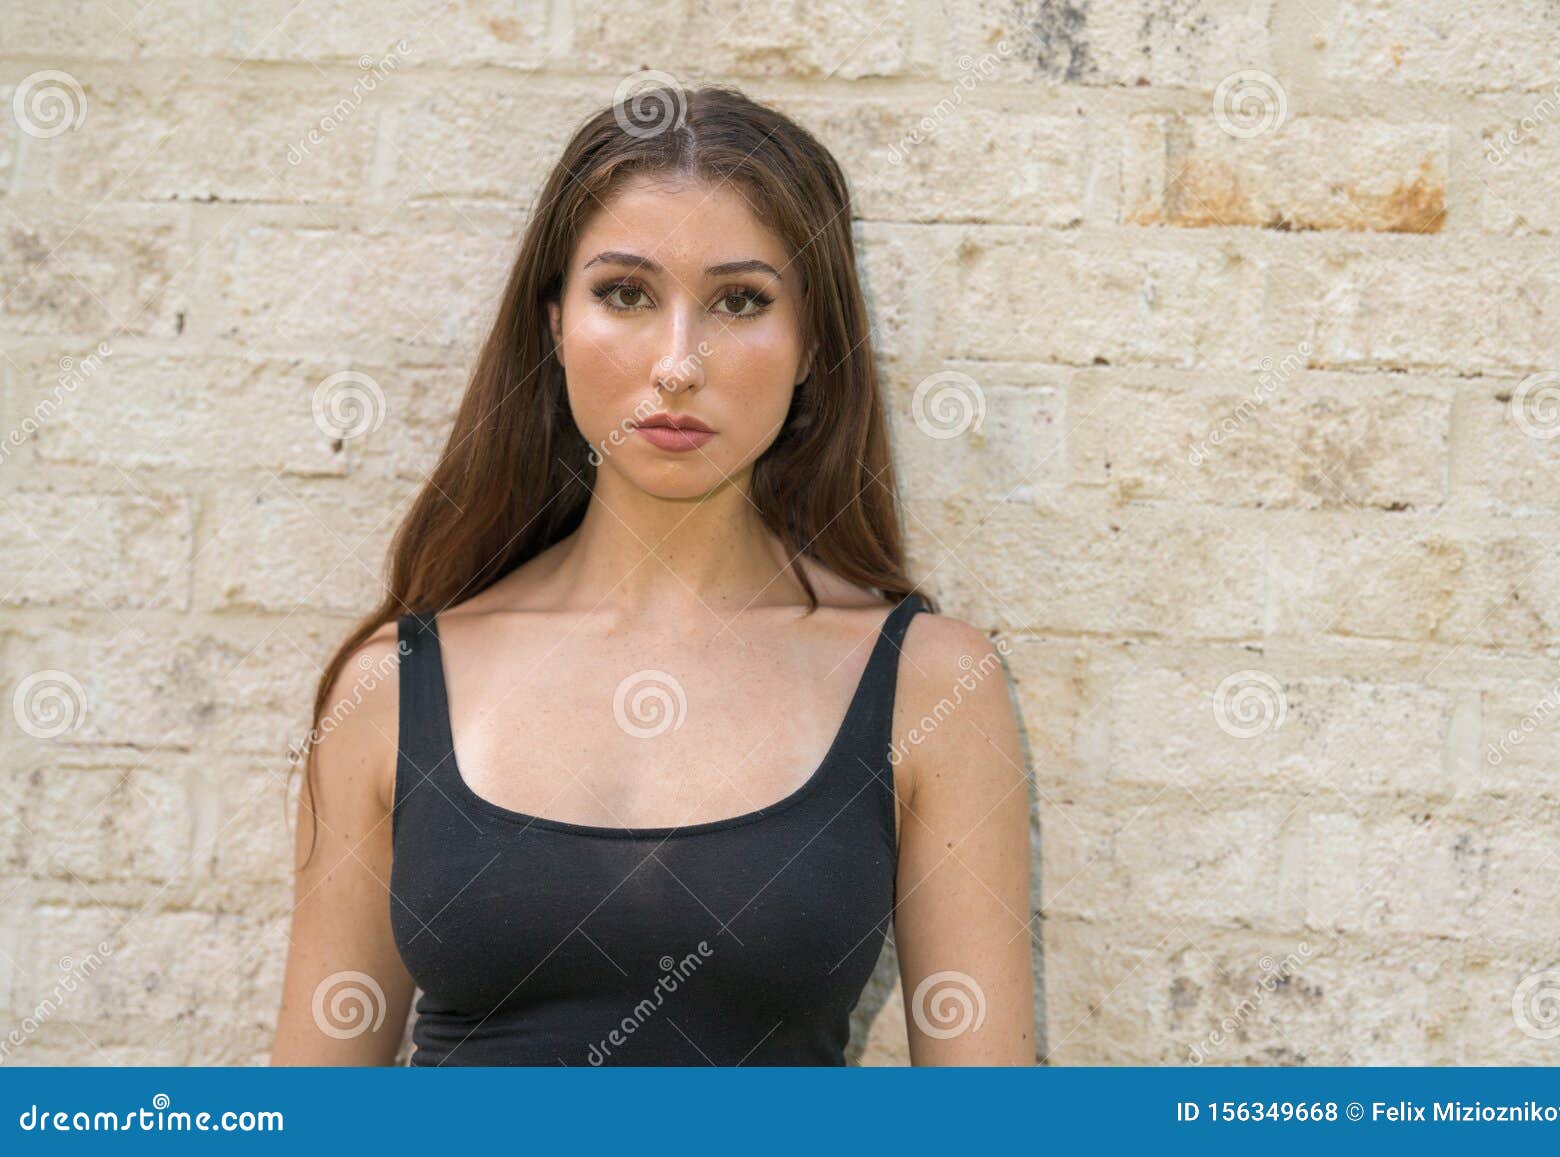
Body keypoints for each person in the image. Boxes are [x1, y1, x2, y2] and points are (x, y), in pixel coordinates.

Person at [270, 84, 1032, 1066]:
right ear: (552, 321)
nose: (677, 363)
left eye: (740, 300)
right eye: (626, 293)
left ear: (812, 346)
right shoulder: (391, 684)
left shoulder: (931, 684)